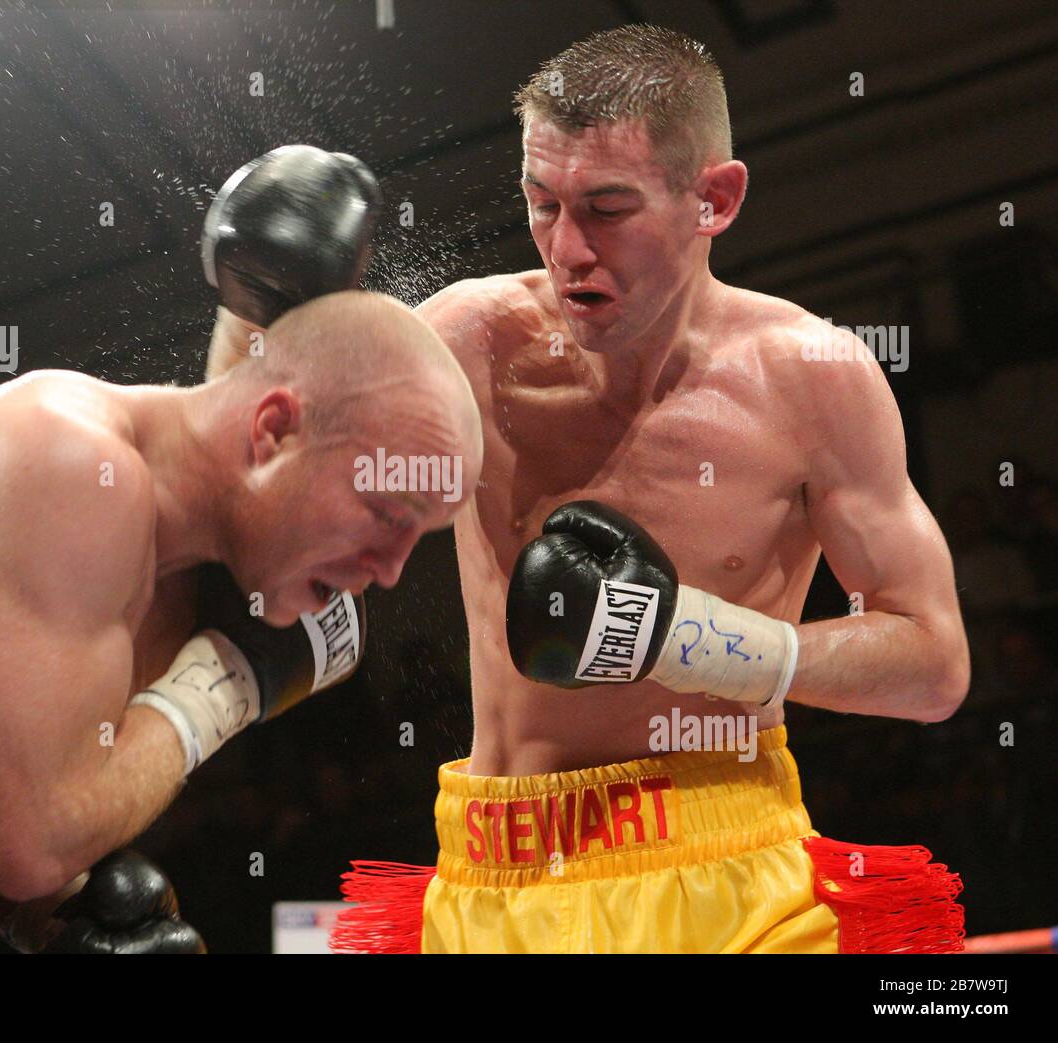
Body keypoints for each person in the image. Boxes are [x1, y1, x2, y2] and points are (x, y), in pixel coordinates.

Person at [212, 27, 971, 954]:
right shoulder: (469, 346)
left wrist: (696, 640)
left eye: (608, 207)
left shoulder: (812, 377)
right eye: (542, 204)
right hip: (500, 876)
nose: (568, 247)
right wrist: (252, 306)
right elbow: (249, 512)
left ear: (714, 199)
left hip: (734, 871)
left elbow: (933, 665)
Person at [0, 146, 482, 952]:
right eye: (388, 511)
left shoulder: (172, 582)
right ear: (274, 429)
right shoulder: (75, 462)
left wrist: (58, 918)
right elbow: (29, 843)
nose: (388, 570)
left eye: (418, 540)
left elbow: (5, 849)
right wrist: (226, 689)